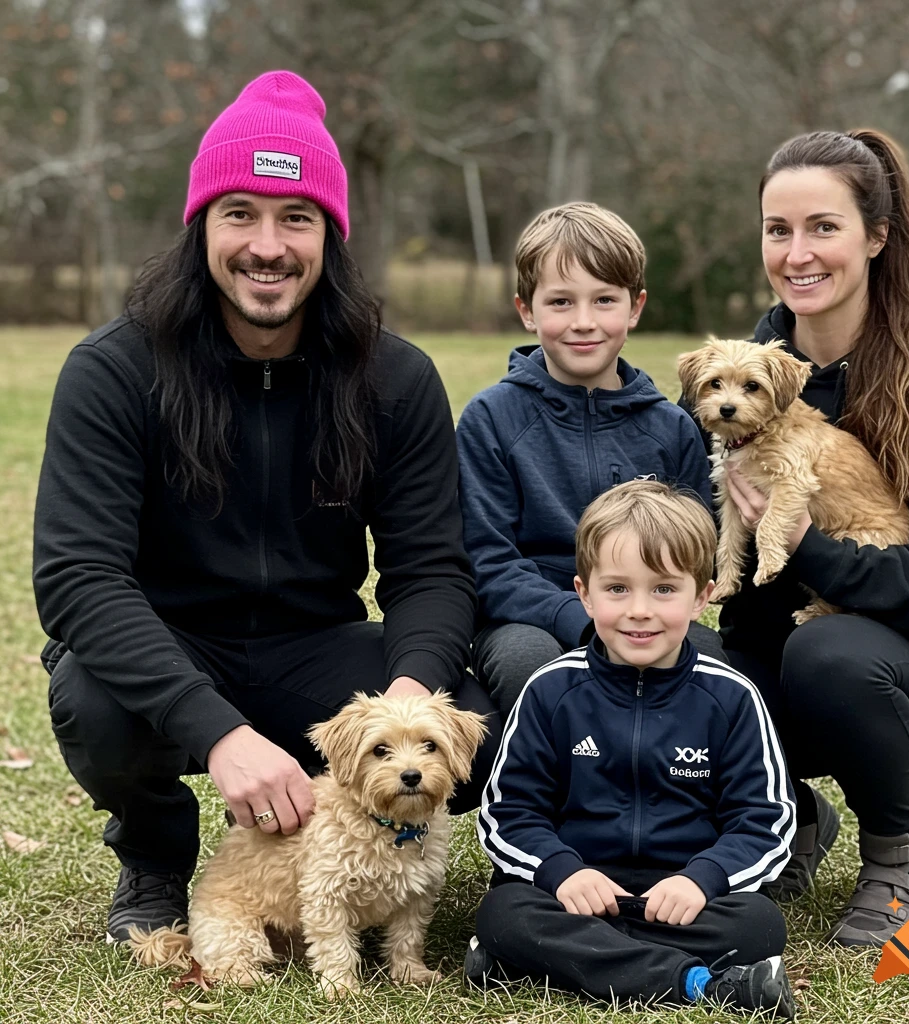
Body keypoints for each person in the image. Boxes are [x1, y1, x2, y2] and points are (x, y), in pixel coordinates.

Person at [32, 70, 499, 945]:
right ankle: (156, 858)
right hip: (170, 641)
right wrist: (219, 735)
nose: (268, 245)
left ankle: (378, 867)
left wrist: (405, 698)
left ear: (331, 235)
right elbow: (78, 578)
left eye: (297, 218)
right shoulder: (114, 371)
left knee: (470, 710)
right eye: (239, 213)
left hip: (315, 645)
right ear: (201, 226)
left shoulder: (395, 379)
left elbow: (430, 567)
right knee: (91, 696)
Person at [699, 129, 909, 946]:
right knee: (669, 667)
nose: (797, 252)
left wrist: (806, 547)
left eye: (823, 227)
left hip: (900, 679)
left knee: (827, 654)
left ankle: (901, 860)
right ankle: (789, 817)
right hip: (769, 663)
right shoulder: (737, 378)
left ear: (876, 236)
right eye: (777, 229)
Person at [466, 481, 797, 1020]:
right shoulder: (550, 690)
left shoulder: (732, 697)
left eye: (664, 589)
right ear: (584, 593)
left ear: (702, 596)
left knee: (759, 924)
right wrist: (561, 871)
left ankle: (533, 963)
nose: (639, 610)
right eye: (617, 589)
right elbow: (508, 812)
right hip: (575, 890)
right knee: (505, 911)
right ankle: (698, 984)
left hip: (682, 896)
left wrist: (702, 879)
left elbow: (764, 820)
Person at [457, 202, 718, 721]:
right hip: (525, 620)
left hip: (645, 610)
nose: (583, 322)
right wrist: (579, 616)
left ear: (635, 307)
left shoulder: (672, 428)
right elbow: (487, 559)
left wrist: (635, 611)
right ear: (526, 310)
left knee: (705, 658)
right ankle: (557, 797)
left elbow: (696, 551)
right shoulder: (491, 419)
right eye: (560, 302)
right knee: (532, 664)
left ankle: (684, 795)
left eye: (604, 300)